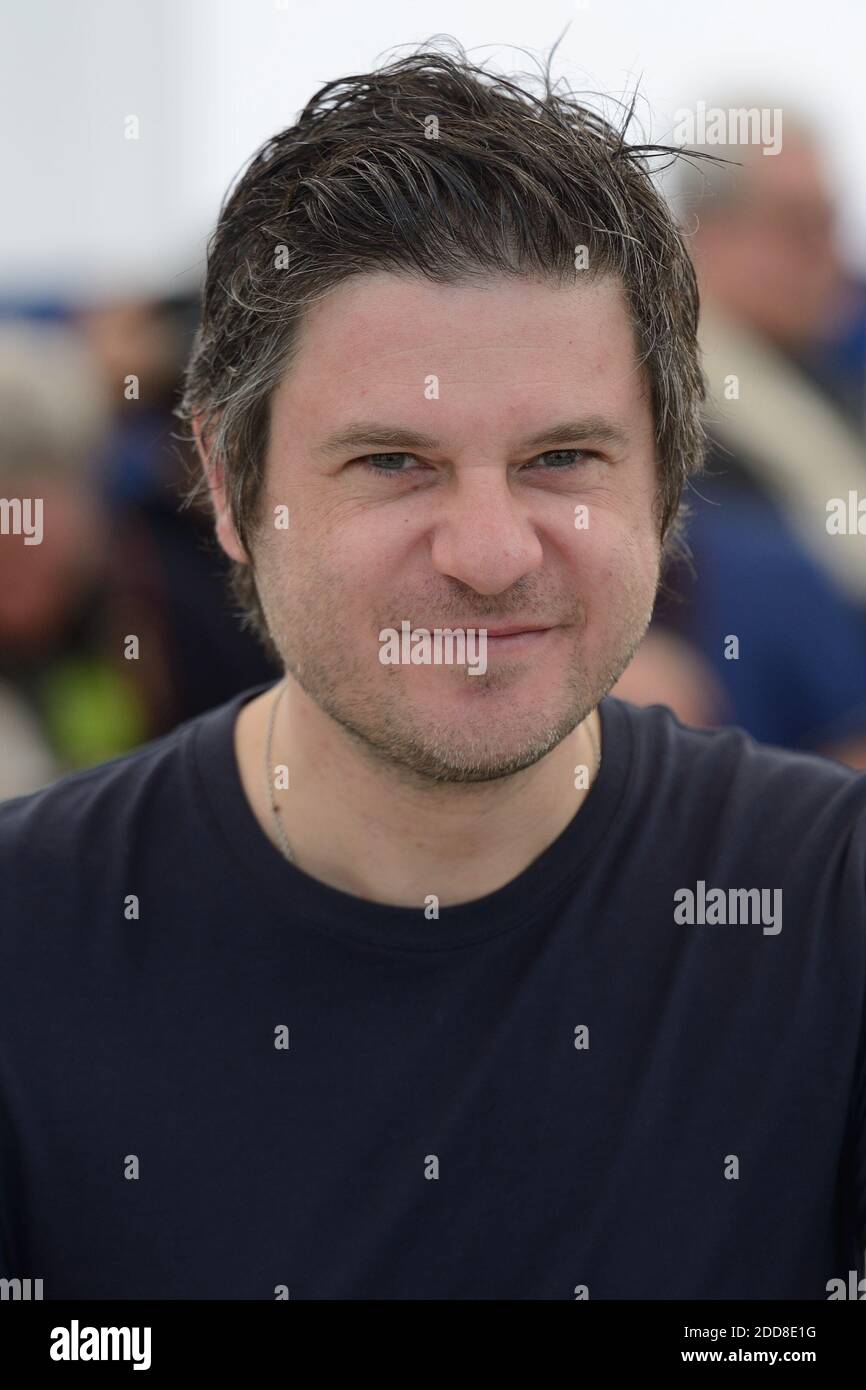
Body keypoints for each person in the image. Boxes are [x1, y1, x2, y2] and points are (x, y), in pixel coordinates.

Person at [1, 44, 864, 1301]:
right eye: (393, 462)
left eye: (562, 457)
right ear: (231, 488)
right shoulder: (29, 944)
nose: (486, 553)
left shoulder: (831, 918)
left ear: (667, 483)